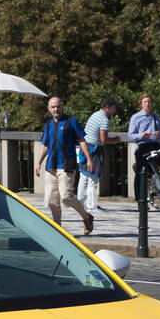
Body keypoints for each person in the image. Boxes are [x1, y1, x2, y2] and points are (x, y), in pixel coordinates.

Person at [35, 96, 94, 234]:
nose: (56, 109)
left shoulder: (71, 121)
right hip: (51, 167)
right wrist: (38, 162)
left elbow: (82, 141)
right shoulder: (48, 125)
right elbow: (45, 145)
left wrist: (89, 159)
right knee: (51, 201)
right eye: (53, 107)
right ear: (49, 109)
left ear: (62, 106)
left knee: (66, 197)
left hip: (67, 165)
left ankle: (87, 217)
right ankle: (58, 231)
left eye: (58, 106)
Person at [78, 97, 121, 211]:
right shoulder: (104, 120)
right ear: (107, 107)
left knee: (84, 176)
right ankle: (92, 205)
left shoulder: (95, 114)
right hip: (94, 150)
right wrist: (115, 140)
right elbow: (104, 139)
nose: (115, 110)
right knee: (93, 178)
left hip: (84, 147)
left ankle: (80, 203)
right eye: (114, 108)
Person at [127, 93, 160, 208]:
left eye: (149, 102)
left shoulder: (156, 117)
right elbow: (130, 136)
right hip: (142, 146)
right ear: (141, 104)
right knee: (141, 172)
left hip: (155, 145)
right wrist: (141, 135)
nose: (147, 104)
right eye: (145, 102)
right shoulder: (136, 117)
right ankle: (140, 200)